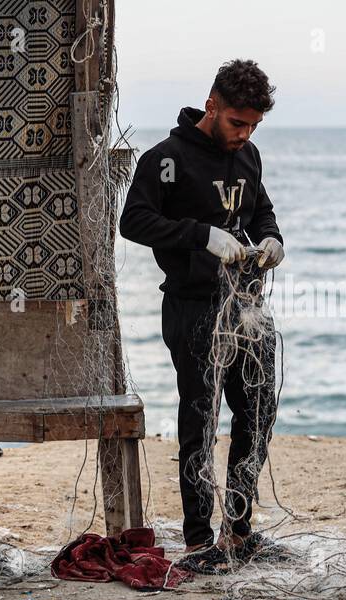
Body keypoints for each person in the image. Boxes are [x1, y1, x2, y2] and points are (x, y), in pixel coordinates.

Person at [119, 59, 285, 574]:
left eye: (254, 125)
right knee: (200, 419)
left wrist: (273, 238)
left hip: (247, 307)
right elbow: (134, 221)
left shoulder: (249, 155)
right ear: (211, 103)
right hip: (192, 306)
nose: (245, 133)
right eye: (238, 122)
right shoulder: (165, 159)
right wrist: (200, 234)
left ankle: (237, 530)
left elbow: (261, 210)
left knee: (257, 415)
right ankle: (197, 541)